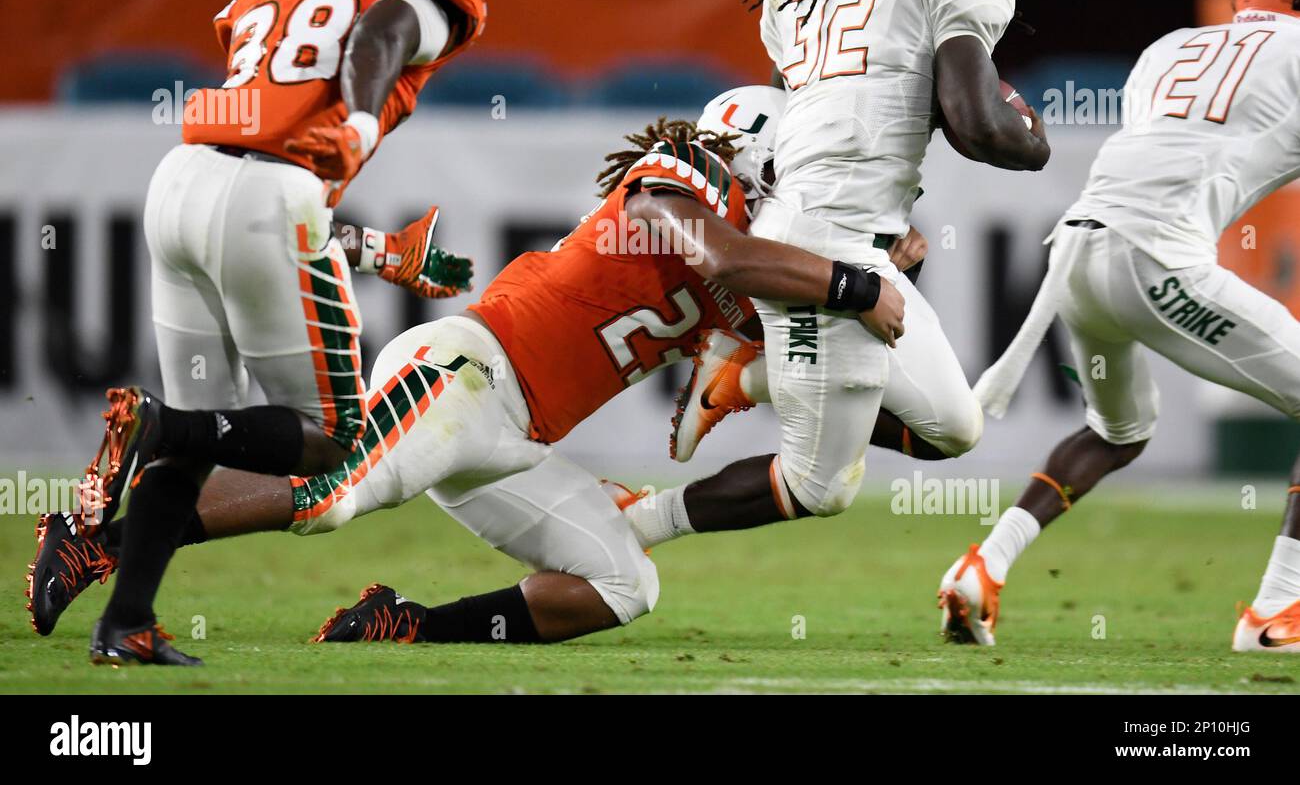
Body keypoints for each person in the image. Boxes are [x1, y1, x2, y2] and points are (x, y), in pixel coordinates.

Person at [29, 90, 907, 656]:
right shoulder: (679, 181)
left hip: (515, 438)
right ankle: (95, 539)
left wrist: (894, 285)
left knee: (624, 584)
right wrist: (854, 280)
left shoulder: (752, 283)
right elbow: (709, 245)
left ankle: (405, 624)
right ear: (752, 152)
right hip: (468, 371)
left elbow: (831, 385)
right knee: (330, 493)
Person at [26, 0, 483, 665]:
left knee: (199, 435)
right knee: (333, 439)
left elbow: (260, 156)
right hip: (271, 196)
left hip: (182, 184)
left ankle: (124, 621)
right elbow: (385, 29)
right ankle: (155, 425)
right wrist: (363, 119)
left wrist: (376, 248)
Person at [619, 0, 1048, 551]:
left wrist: (890, 217)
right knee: (819, 486)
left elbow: (823, 117)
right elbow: (977, 127)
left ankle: (745, 377)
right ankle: (632, 524)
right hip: (824, 246)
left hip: (829, 223)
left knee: (955, 428)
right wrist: (1032, 137)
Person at [938, 0, 1300, 652]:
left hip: (1075, 248)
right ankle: (1277, 611)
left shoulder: (1170, 47)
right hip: (1156, 256)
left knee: (1118, 431)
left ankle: (984, 565)